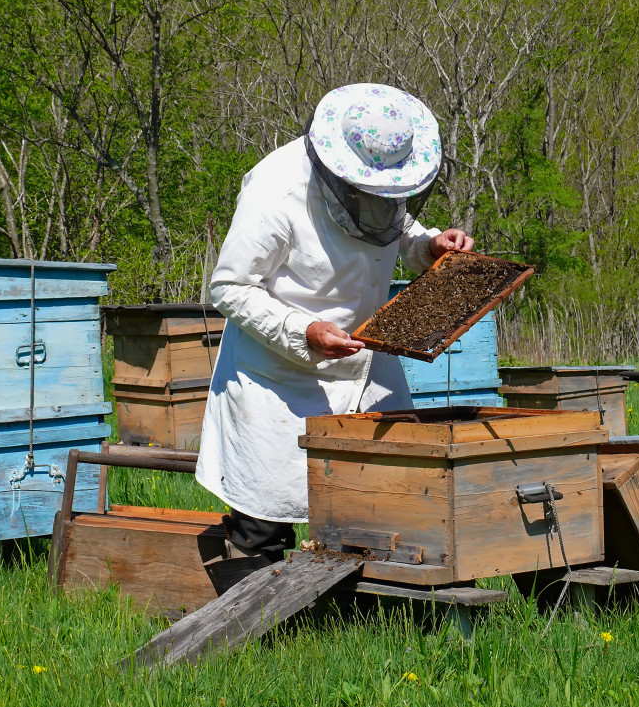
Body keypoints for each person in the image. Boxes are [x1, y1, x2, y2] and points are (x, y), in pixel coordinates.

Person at [195, 83, 474, 563]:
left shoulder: (377, 187)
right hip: (280, 374)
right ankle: (263, 630)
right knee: (265, 525)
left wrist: (429, 246)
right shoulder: (274, 190)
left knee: (385, 503)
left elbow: (393, 224)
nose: (384, 197)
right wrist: (303, 331)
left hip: (368, 361)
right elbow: (229, 287)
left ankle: (370, 618)